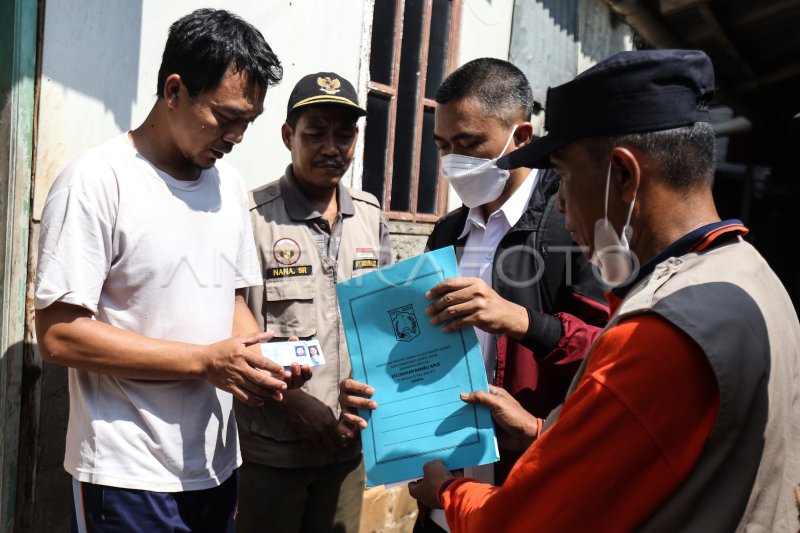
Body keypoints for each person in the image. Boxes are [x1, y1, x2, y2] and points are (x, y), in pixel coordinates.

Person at [400, 49, 800, 531]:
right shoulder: (750, 275)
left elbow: (524, 520)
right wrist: (538, 430)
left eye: (566, 176)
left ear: (624, 175)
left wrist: (447, 492)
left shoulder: (662, 329)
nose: (560, 202)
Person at [32, 9, 310, 532]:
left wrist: (264, 361)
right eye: (226, 117)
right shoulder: (95, 182)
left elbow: (229, 302)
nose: (237, 136)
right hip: (126, 475)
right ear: (175, 90)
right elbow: (58, 335)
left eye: (248, 122)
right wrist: (205, 362)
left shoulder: (228, 186)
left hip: (216, 466)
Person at [235, 72, 392, 533]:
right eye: (315, 133)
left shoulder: (370, 215)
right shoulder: (252, 218)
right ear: (288, 136)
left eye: (344, 135)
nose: (331, 148)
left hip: (348, 446)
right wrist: (291, 402)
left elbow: (381, 321)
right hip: (273, 450)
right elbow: (232, 326)